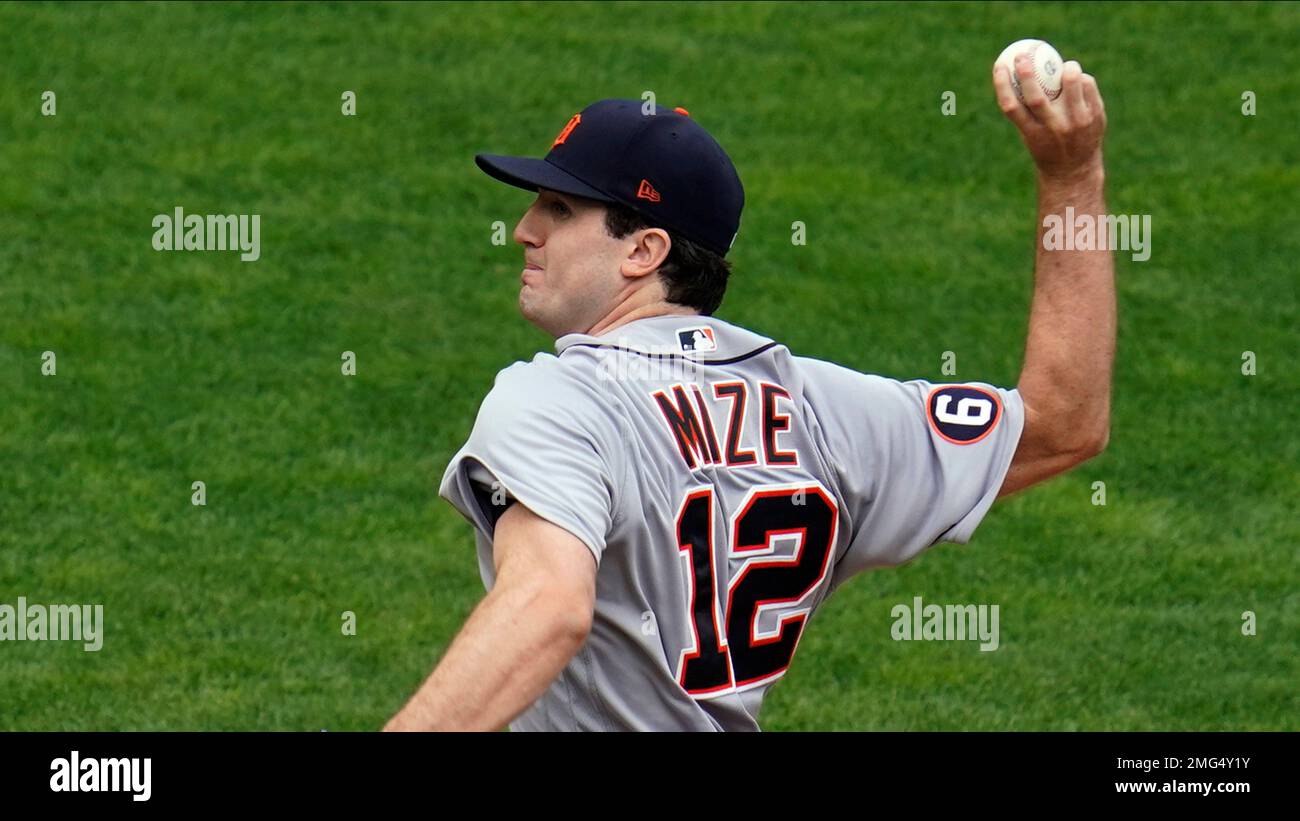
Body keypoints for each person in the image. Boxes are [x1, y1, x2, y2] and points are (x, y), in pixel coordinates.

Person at [385, 56, 1112, 731]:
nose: (523, 231)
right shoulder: (821, 409)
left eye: (558, 209)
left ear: (644, 250)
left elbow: (549, 606)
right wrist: (1072, 178)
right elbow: (1063, 424)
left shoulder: (554, 402)